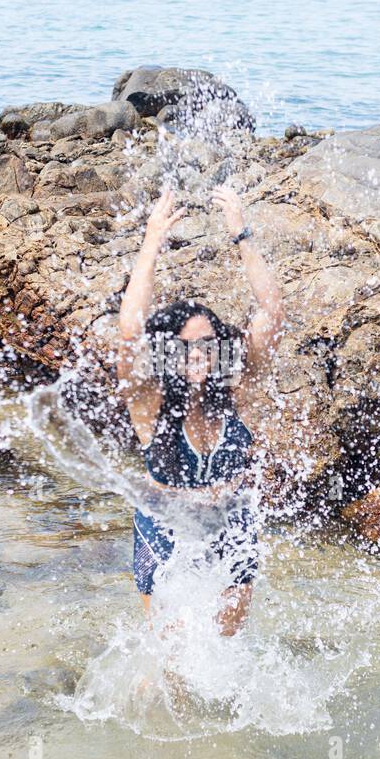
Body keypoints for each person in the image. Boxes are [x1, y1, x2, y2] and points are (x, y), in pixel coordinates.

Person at [117, 186, 283, 635]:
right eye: (185, 346)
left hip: (231, 523)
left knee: (226, 642)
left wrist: (242, 234)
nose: (198, 355)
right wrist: (152, 239)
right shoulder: (149, 404)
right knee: (171, 650)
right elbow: (130, 331)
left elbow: (272, 312)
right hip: (166, 528)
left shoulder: (237, 391)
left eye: (207, 345)